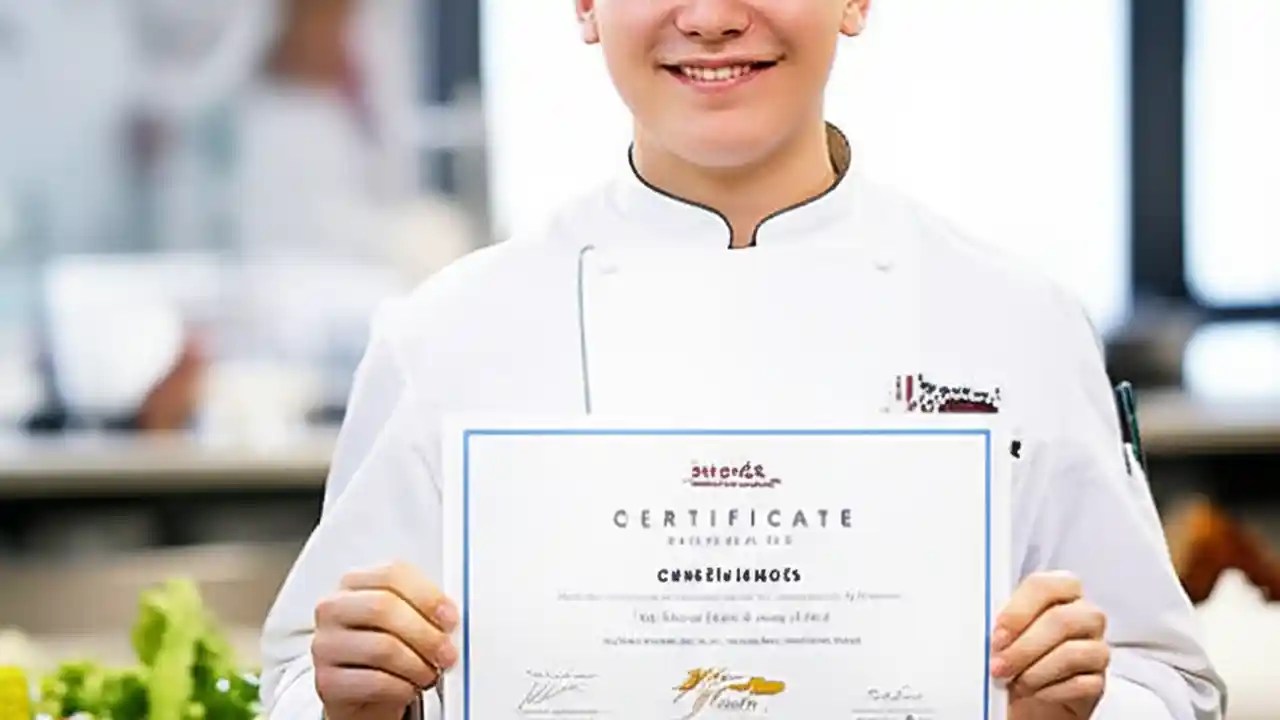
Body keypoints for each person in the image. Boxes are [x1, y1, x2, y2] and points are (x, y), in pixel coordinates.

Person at [260, 1, 1227, 719]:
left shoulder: (1018, 320)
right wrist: (354, 697)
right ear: (586, 7)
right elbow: (299, 684)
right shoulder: (446, 332)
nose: (713, 17)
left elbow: (1169, 683)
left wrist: (1074, 703)